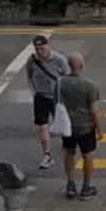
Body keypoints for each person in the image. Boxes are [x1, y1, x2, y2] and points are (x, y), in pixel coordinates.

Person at [58, 50, 103, 201]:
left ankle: (70, 185)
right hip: (85, 127)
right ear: (82, 65)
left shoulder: (60, 83)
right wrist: (99, 130)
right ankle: (86, 187)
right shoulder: (89, 85)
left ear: (68, 65)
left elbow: (56, 105)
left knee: (69, 153)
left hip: (67, 126)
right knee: (87, 155)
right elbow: (94, 110)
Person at [25, 32, 69, 173]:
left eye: (42, 48)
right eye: (37, 49)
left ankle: (68, 146)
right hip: (41, 97)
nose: (40, 52)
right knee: (42, 126)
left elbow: (67, 78)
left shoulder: (60, 59)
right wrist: (33, 91)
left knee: (62, 125)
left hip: (57, 97)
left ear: (48, 46)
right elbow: (29, 76)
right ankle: (47, 155)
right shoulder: (32, 60)